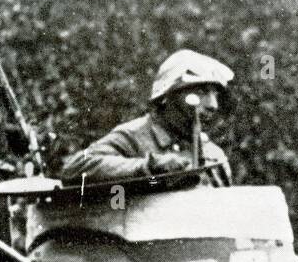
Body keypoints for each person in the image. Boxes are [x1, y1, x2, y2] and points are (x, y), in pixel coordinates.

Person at [61, 49, 234, 186]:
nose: (213, 105)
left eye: (215, 94)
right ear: (168, 95)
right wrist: (147, 167)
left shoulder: (213, 154)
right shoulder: (134, 136)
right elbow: (75, 168)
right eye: (201, 91)